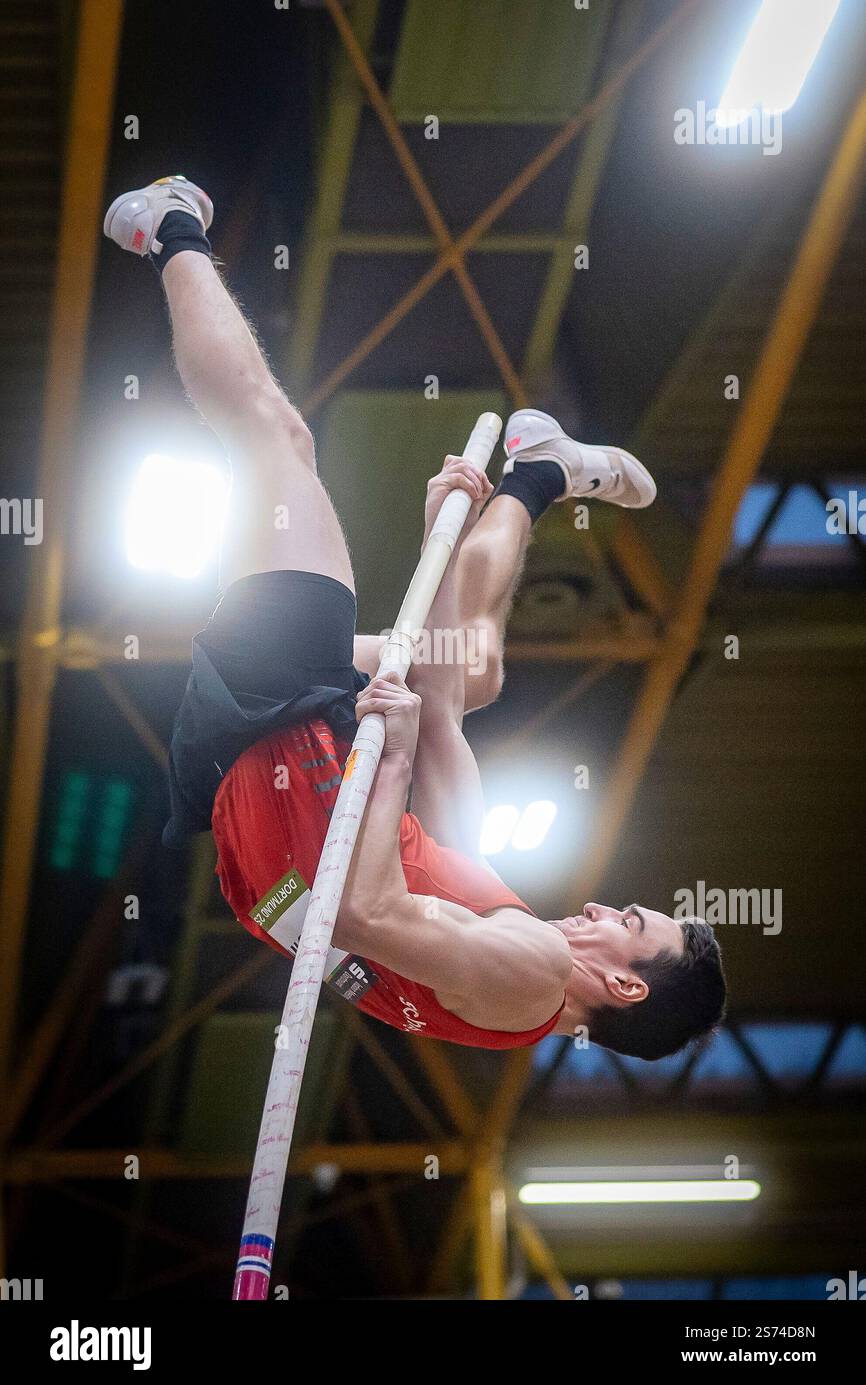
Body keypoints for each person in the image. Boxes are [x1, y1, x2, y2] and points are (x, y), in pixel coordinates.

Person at [104, 175, 726, 1060]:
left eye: (627, 921)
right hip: (267, 777)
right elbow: (432, 705)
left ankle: (169, 222)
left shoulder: (536, 971)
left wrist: (389, 760)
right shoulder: (498, 938)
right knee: (471, 671)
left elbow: (359, 912)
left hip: (294, 749)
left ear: (625, 984)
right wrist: (443, 528)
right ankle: (537, 475)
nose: (600, 906)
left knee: (277, 439)